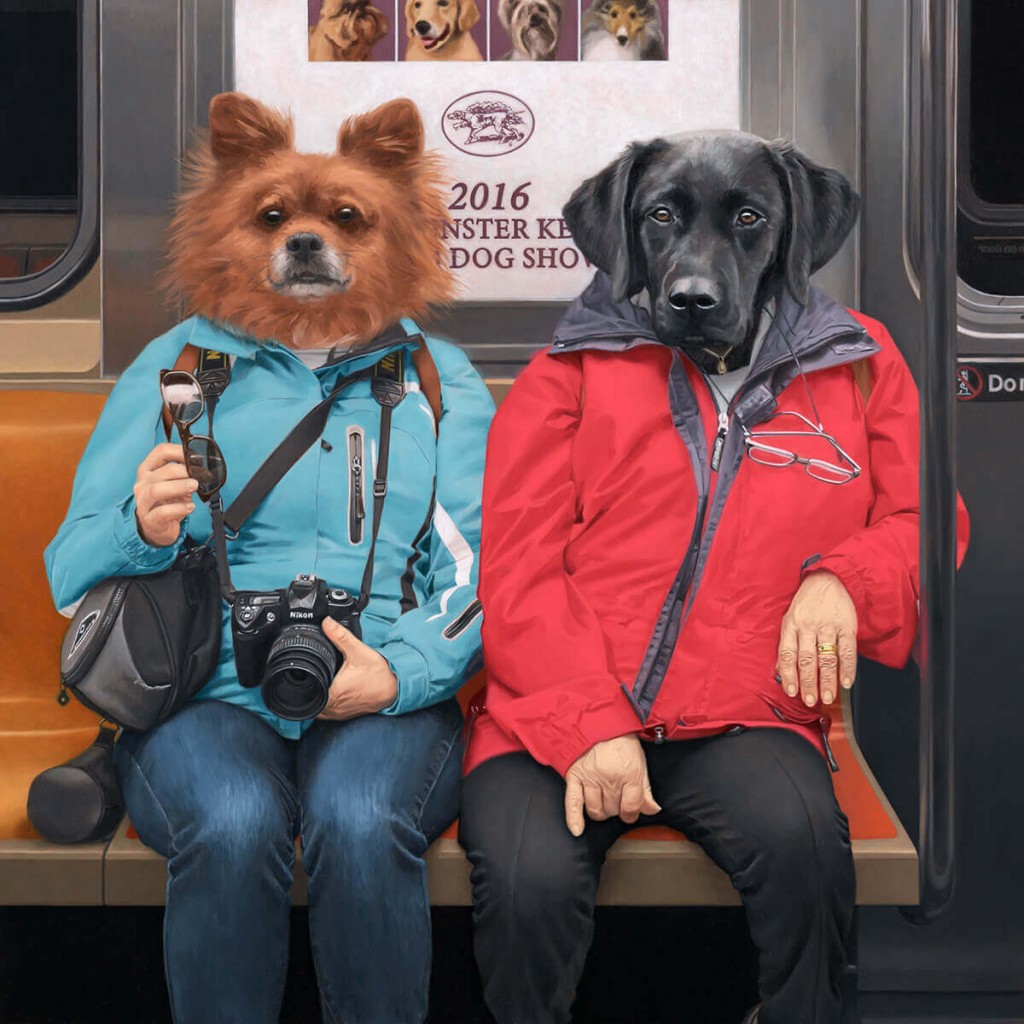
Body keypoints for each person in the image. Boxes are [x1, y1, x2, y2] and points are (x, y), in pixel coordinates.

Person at [458, 130, 970, 1024]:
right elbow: (518, 571)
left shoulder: (858, 363)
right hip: (553, 713)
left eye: (745, 224)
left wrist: (843, 581)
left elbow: (928, 522)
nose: (695, 273)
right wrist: (589, 726)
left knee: (806, 851)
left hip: (744, 712)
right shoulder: (566, 376)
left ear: (792, 236)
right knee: (529, 883)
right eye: (665, 222)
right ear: (626, 237)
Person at [45, 92, 494, 1024]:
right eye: (274, 217)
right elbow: (67, 575)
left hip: (387, 692)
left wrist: (399, 674)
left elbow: (481, 572)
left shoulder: (435, 379)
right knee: (232, 822)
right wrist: (139, 527)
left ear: (398, 231)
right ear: (227, 228)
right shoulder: (179, 369)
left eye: (346, 219)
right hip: (205, 694)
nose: (306, 237)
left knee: (361, 822)